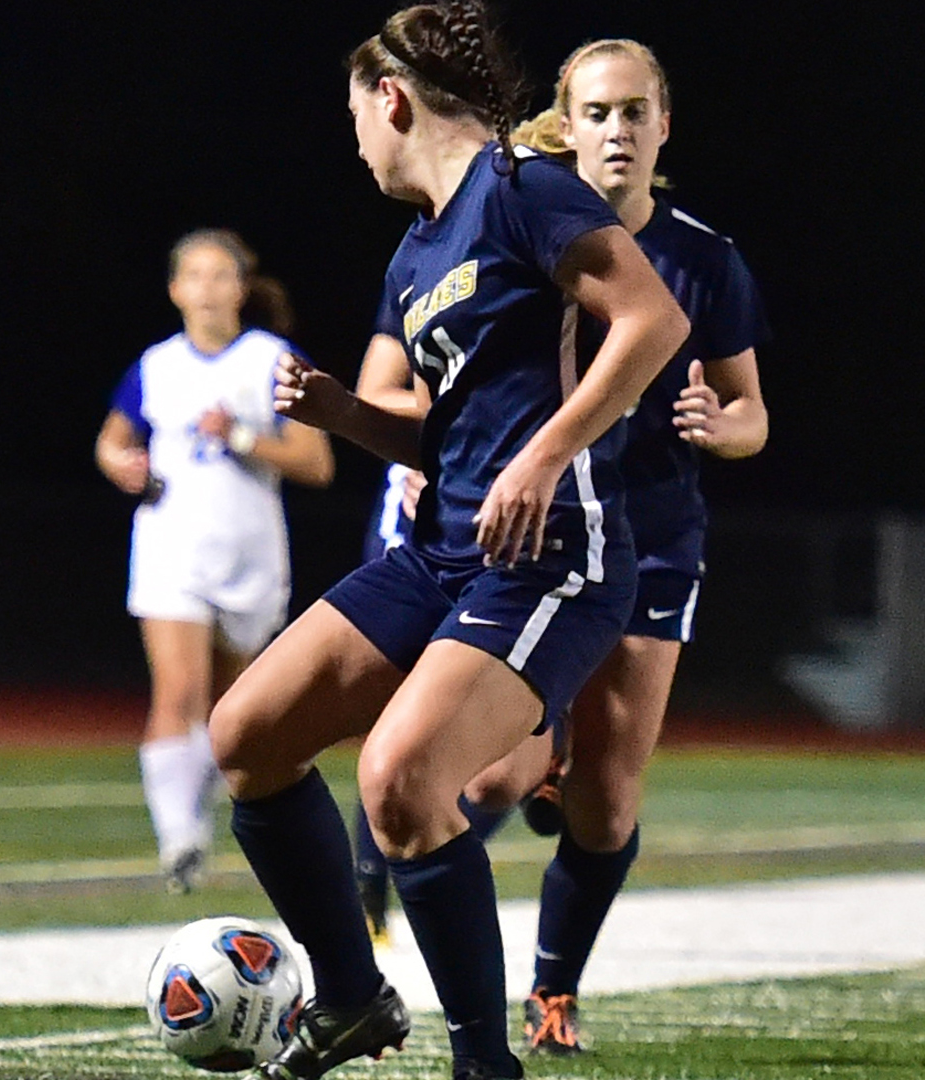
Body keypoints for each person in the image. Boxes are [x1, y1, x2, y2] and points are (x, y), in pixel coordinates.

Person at [208, 2, 690, 1077]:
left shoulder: (524, 189)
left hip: (557, 552)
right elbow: (452, 428)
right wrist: (345, 414)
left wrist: (545, 456)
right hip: (442, 550)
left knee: (402, 779)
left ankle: (484, 1063)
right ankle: (350, 1000)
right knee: (247, 734)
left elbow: (654, 320)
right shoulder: (417, 254)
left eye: (357, 118)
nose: (358, 143)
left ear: (392, 99)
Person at [508, 38, 770, 1056]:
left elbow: (754, 415)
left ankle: (552, 990)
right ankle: (381, 915)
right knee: (481, 779)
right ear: (565, 126)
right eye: (597, 112)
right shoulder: (522, 233)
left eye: (634, 113)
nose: (616, 131)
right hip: (536, 538)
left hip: (653, 542)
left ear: (664, 127)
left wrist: (722, 424)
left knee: (607, 806)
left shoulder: (706, 258)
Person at [94, 230, 334, 893]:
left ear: (240, 287)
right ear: (175, 290)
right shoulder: (156, 366)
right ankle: (179, 839)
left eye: (218, 275)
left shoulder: (272, 360)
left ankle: (219, 824)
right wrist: (124, 466)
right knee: (179, 693)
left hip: (251, 556)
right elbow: (111, 445)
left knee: (234, 716)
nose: (205, 288)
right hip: (171, 549)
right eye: (192, 276)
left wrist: (241, 434)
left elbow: (316, 461)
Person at [344, 344, 548, 948]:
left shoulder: (559, 266)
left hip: (543, 518)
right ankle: (372, 894)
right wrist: (434, 442)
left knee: (505, 776)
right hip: (430, 526)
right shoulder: (422, 266)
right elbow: (375, 392)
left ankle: (557, 753)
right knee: (388, 729)